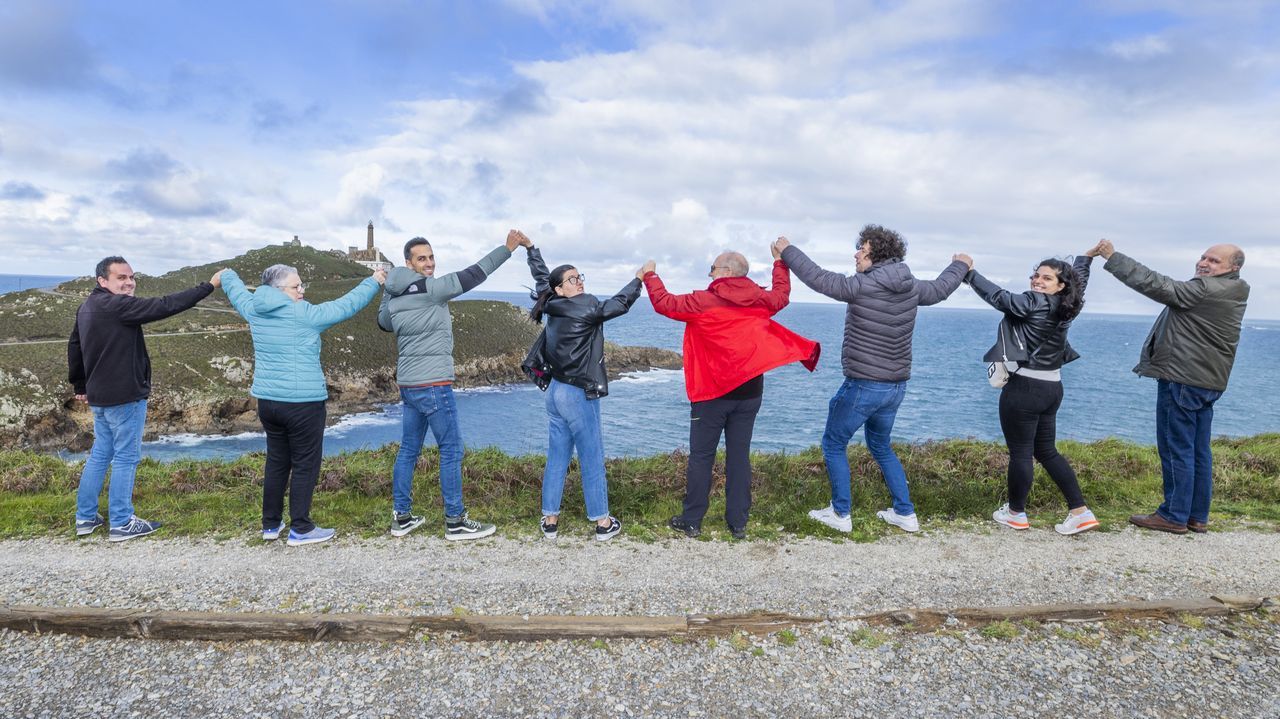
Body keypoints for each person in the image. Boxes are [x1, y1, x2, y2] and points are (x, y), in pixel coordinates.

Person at [775, 226, 971, 534]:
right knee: (880, 445)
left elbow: (818, 278)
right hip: (895, 388)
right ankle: (905, 513)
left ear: (875, 254)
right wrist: (961, 264)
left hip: (864, 384)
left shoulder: (861, 286)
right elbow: (941, 288)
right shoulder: (912, 286)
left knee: (833, 442)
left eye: (861, 249)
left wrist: (787, 250)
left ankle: (840, 514)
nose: (855, 254)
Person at [639, 247, 819, 539]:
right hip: (749, 392)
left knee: (701, 457)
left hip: (711, 393)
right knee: (739, 456)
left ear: (726, 272)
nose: (709, 273)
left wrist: (650, 274)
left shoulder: (702, 302)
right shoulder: (760, 300)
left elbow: (663, 302)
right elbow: (782, 294)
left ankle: (692, 520)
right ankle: (738, 523)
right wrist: (778, 262)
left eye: (712, 267)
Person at [376, 230, 530, 540]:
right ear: (409, 263)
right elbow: (474, 274)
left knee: (408, 449)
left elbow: (383, 322)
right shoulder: (432, 289)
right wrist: (507, 248)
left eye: (431, 257)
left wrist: (388, 288)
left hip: (408, 384)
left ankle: (401, 517)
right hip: (434, 383)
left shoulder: (395, 294)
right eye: (422, 258)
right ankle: (455, 521)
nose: (430, 263)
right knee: (451, 450)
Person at [221, 263, 385, 546]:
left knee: (276, 462)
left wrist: (226, 275)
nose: (302, 291)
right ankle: (301, 528)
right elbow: (346, 306)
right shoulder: (304, 314)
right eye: (296, 286)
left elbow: (235, 291)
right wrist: (374, 281)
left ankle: (270, 525)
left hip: (268, 403)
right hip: (303, 404)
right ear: (279, 289)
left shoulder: (253, 308)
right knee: (305, 464)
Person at [1093, 239, 1249, 535]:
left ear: (1233, 268)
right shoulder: (1235, 290)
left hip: (1183, 380)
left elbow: (1157, 285)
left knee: (1175, 448)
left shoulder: (1205, 290)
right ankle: (1196, 516)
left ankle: (1173, 515)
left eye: (1214, 261)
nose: (1204, 263)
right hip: (1207, 381)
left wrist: (1113, 257)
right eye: (1203, 257)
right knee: (1198, 451)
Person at [68, 257, 222, 541]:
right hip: (124, 396)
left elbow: (75, 345)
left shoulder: (87, 306)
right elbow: (165, 305)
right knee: (126, 457)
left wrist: (80, 384)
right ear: (102, 281)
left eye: (131, 277)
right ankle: (122, 521)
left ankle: (85, 518)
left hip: (100, 397)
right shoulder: (118, 306)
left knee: (100, 454)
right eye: (121, 278)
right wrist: (209, 286)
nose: (128, 282)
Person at [965, 253, 1100, 535]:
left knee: (1021, 453)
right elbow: (1079, 282)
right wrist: (1085, 259)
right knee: (1046, 450)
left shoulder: (1033, 301)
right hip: (1052, 387)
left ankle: (1016, 513)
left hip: (1025, 388)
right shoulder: (1068, 305)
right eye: (1035, 276)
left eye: (1046, 278)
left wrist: (968, 272)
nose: (1037, 281)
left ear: (1060, 285)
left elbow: (999, 297)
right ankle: (1080, 511)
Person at [521, 234, 640, 541]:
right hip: (576, 394)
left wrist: (532, 249)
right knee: (591, 456)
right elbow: (618, 305)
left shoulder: (554, 304)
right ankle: (602, 523)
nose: (579, 282)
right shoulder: (585, 306)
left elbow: (541, 277)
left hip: (555, 392)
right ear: (560, 288)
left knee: (558, 456)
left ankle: (550, 520)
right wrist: (639, 278)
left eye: (579, 277)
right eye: (572, 279)